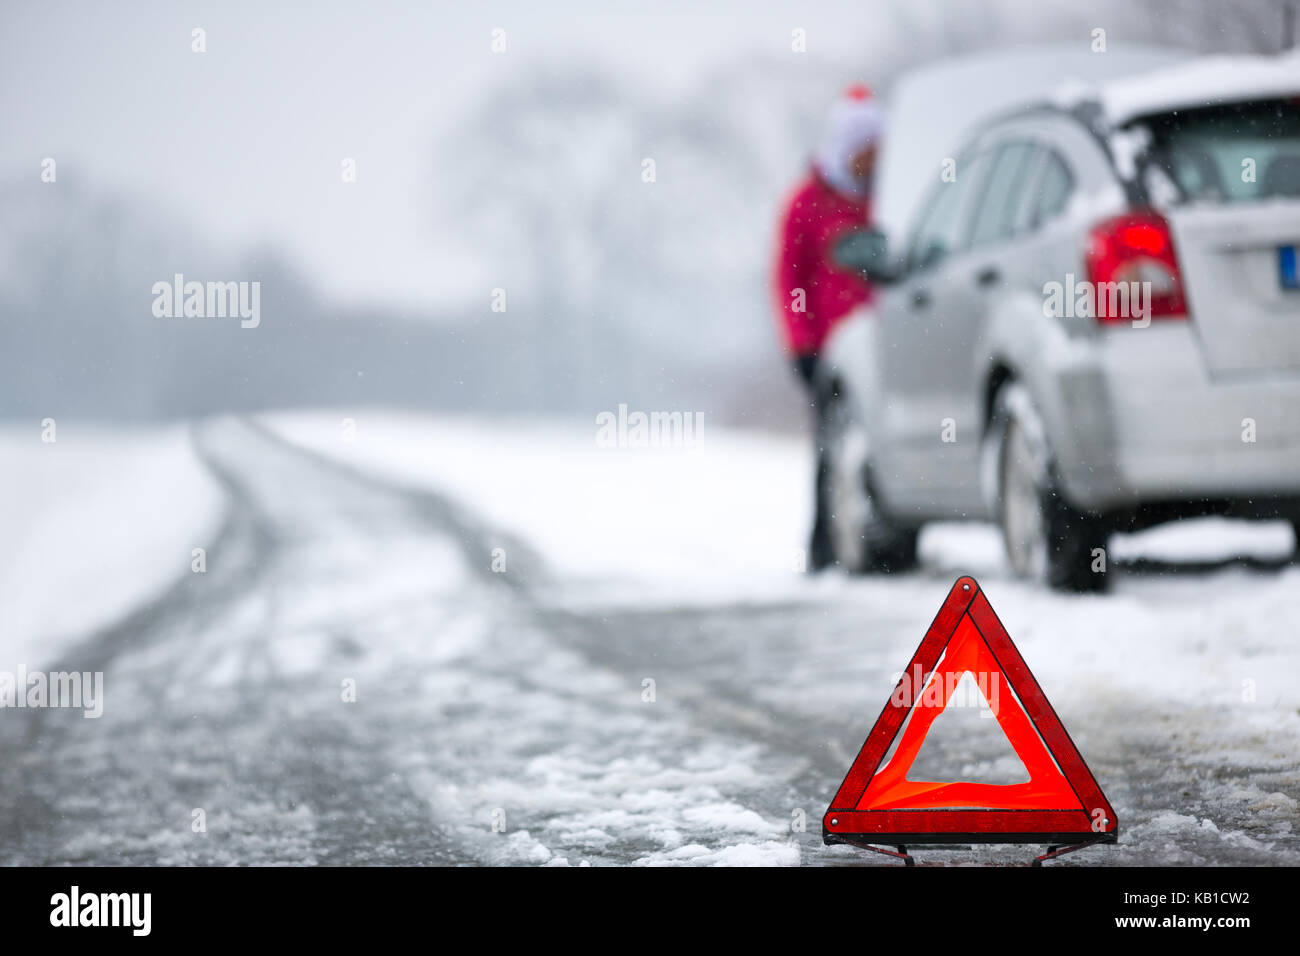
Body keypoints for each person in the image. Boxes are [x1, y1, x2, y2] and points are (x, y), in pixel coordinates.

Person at [772, 84, 883, 570]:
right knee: (831, 446)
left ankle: (883, 543)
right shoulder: (807, 202)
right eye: (864, 151)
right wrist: (803, 346)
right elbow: (788, 278)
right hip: (830, 350)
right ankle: (825, 547)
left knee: (878, 440)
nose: (870, 162)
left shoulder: (886, 196)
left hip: (883, 345)